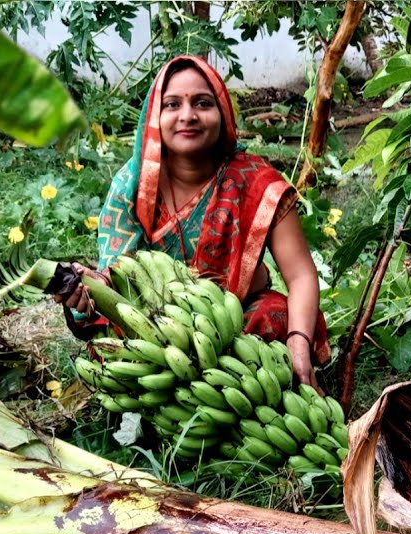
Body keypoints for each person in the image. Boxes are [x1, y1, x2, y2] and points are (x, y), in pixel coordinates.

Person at [55, 55, 330, 391]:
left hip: (235, 326)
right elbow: (117, 280)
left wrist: (299, 342)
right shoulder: (133, 186)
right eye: (172, 105)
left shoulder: (256, 181)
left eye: (202, 103)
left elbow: (301, 274)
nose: (188, 116)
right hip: (155, 331)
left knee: (275, 313)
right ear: (156, 116)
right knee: (109, 342)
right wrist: (86, 289)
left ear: (223, 113)